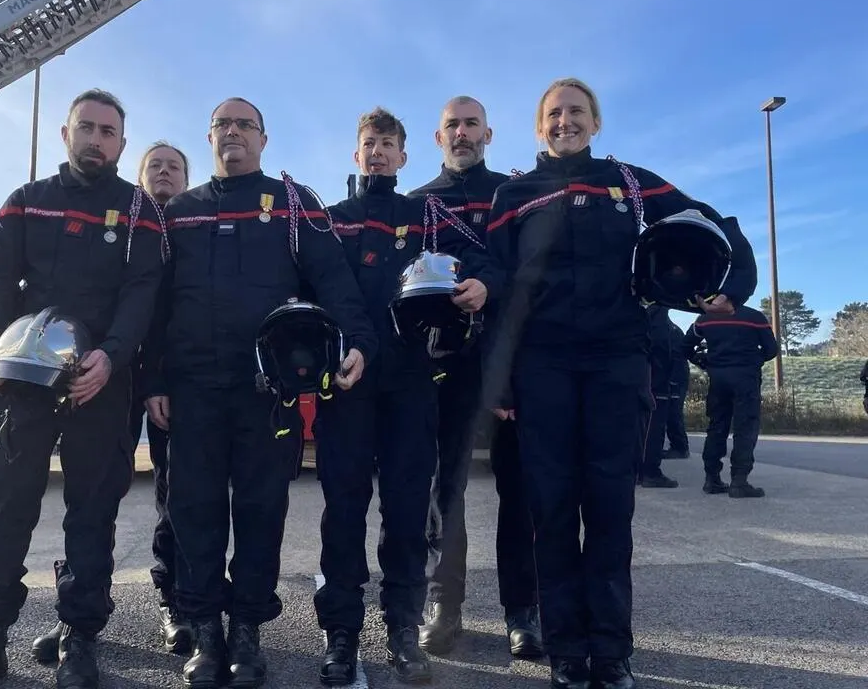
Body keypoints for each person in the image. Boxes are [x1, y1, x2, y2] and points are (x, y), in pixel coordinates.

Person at [485, 77, 756, 689]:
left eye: (576, 112)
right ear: (538, 127)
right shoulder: (513, 194)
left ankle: (610, 653)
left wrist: (728, 290)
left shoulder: (632, 184)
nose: (565, 122)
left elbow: (718, 226)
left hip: (617, 361)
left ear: (596, 122)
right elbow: (496, 289)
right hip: (541, 365)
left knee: (609, 508)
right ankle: (566, 653)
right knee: (551, 510)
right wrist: (499, 383)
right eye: (554, 114)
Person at [140, 97, 378, 689]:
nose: (233, 133)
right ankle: (206, 632)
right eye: (223, 124)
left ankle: (247, 632)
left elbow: (335, 283)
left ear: (264, 139)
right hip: (193, 390)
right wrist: (154, 380)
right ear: (209, 137)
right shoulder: (182, 213)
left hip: (266, 392)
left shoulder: (295, 206)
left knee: (260, 510)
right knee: (193, 512)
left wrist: (357, 341)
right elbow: (154, 304)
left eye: (245, 125)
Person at [0, 89, 166, 689]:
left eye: (108, 132)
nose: (96, 139)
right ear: (66, 135)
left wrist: (112, 358)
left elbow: (143, 292)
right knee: (5, 509)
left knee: (92, 517)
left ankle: (81, 640)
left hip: (100, 384)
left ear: (121, 142)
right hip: (24, 384)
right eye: (85, 128)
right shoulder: (24, 204)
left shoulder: (140, 210)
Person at [313, 107, 495, 685]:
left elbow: (485, 258)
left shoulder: (429, 215)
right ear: (355, 153)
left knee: (408, 515)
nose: (378, 153)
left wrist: (481, 283)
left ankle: (401, 628)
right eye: (369, 143)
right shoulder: (333, 220)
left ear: (404, 156)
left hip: (414, 385)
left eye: (388, 144)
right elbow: (312, 287)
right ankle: (340, 633)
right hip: (349, 385)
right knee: (343, 511)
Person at [29, 140, 191, 665]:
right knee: (93, 503)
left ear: (185, 182)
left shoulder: (194, 230)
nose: (164, 173)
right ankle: (78, 611)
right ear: (140, 178)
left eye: (174, 167)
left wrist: (160, 377)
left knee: (178, 497)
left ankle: (176, 604)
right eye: (155, 166)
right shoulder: (120, 228)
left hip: (168, 382)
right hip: (109, 379)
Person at [408, 95, 542, 660]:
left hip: (518, 366)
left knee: (523, 491)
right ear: (438, 139)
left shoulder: (516, 195)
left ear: (489, 133)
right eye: (451, 126)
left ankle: (524, 610)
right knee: (447, 492)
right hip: (448, 367)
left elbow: (534, 274)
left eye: (470, 124)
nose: (461, 133)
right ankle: (445, 606)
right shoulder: (417, 205)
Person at [682, 303, 778, 498]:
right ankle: (739, 481)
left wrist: (702, 360)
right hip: (746, 377)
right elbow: (771, 350)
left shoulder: (705, 318)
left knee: (717, 426)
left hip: (718, 377)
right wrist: (752, 361)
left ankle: (712, 479)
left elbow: (684, 346)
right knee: (745, 427)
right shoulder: (755, 317)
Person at [638, 304, 679, 488]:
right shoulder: (657, 315)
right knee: (654, 425)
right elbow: (660, 347)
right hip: (656, 379)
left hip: (642, 375)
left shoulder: (638, 310)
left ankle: (639, 470)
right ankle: (650, 472)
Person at [663, 320, 692, 458]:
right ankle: (679, 446)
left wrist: (673, 380)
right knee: (672, 412)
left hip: (676, 376)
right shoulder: (672, 328)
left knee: (673, 412)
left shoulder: (670, 330)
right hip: (674, 375)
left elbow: (678, 356)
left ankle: (680, 447)